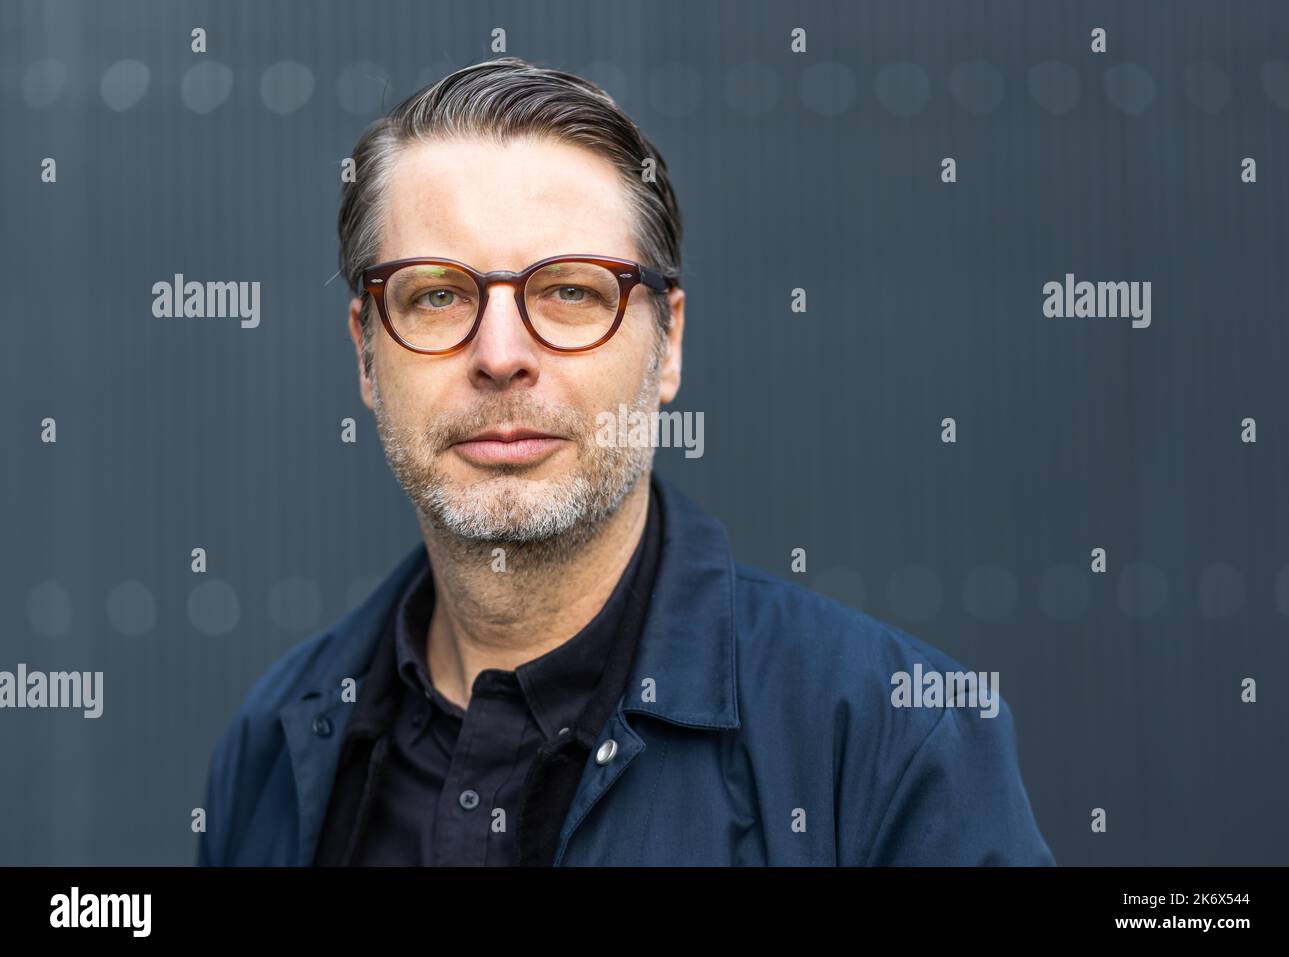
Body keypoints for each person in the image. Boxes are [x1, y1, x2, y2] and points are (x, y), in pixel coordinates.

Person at [197, 56, 1054, 867]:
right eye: (437, 295)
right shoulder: (278, 739)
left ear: (668, 342)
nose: (500, 353)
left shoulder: (894, 743)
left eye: (570, 290)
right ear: (364, 357)